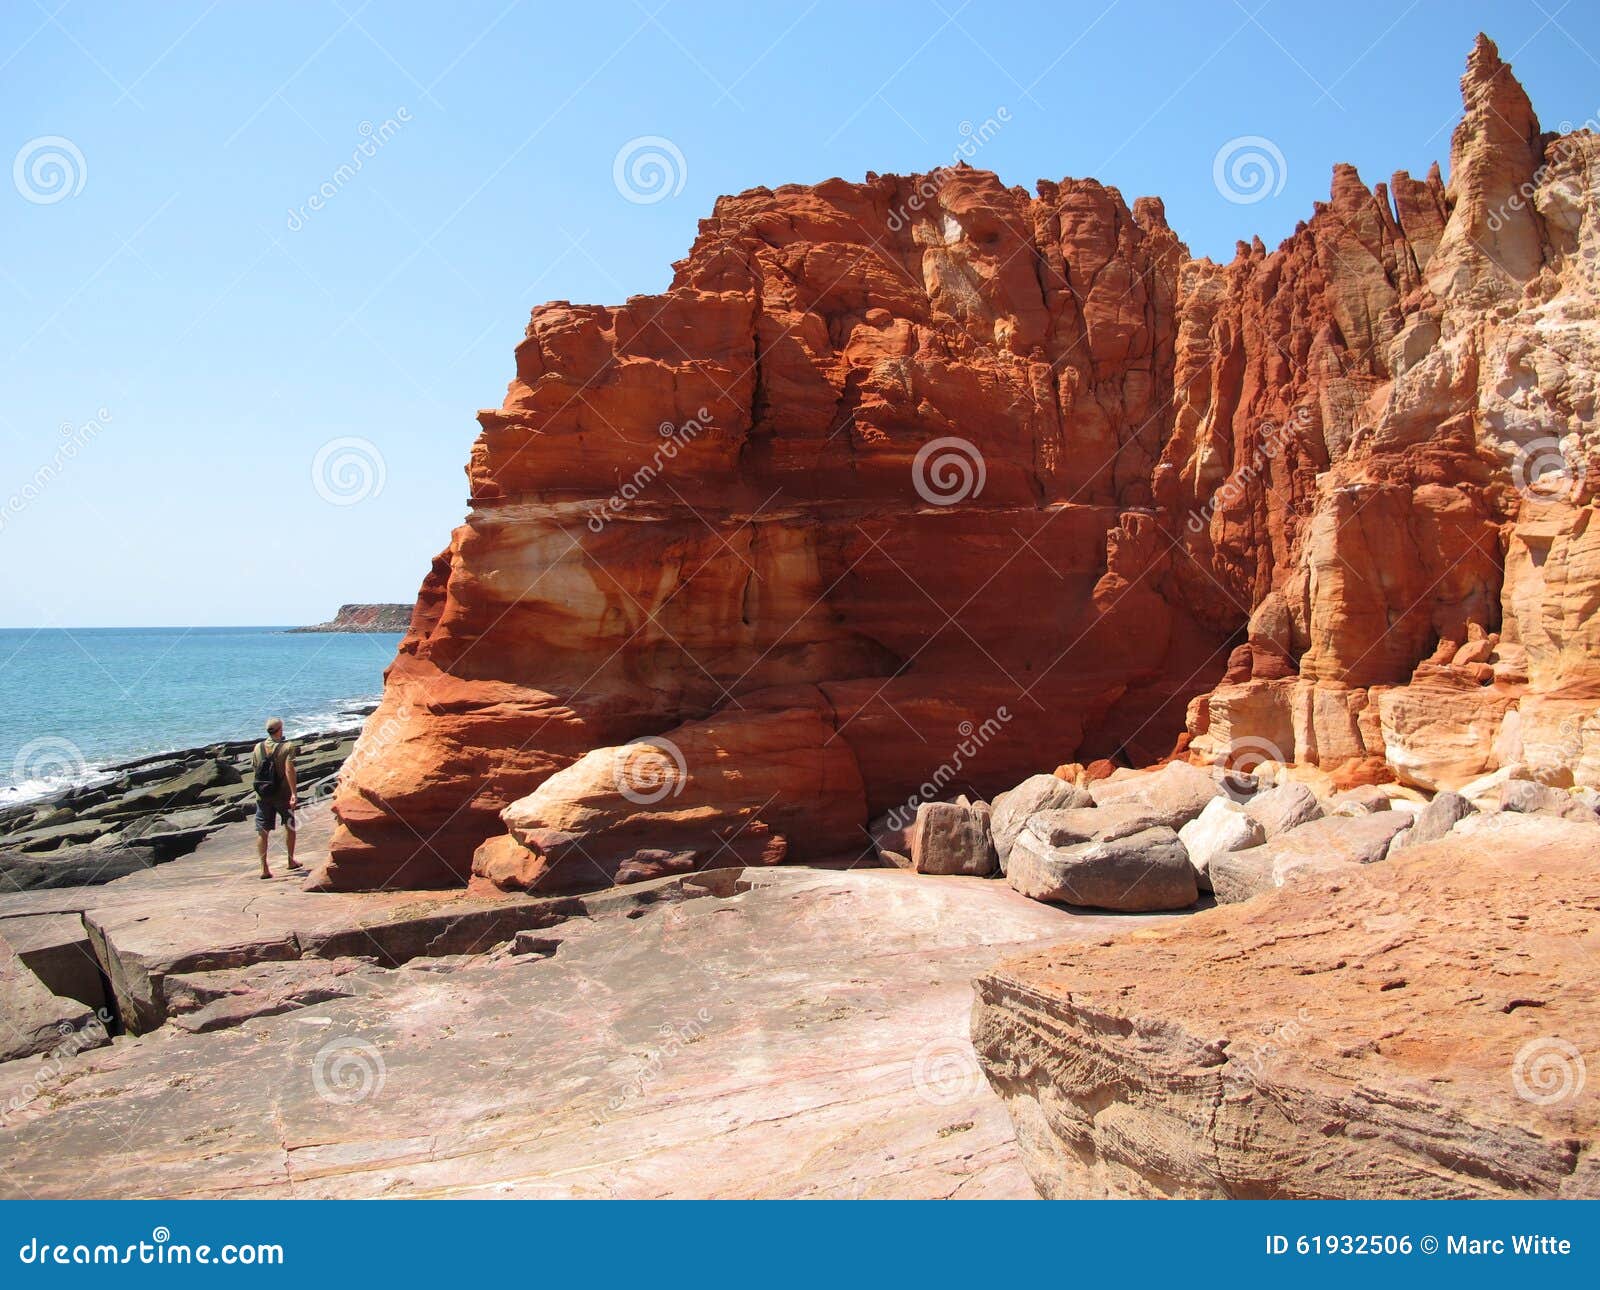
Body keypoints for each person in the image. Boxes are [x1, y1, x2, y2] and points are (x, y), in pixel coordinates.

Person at [251, 717, 302, 878]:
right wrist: (294, 793)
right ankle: (290, 861)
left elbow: (255, 769)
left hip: (263, 795)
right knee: (289, 826)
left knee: (262, 831)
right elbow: (289, 770)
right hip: (282, 795)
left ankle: (264, 868)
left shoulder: (257, 747)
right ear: (280, 729)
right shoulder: (287, 747)